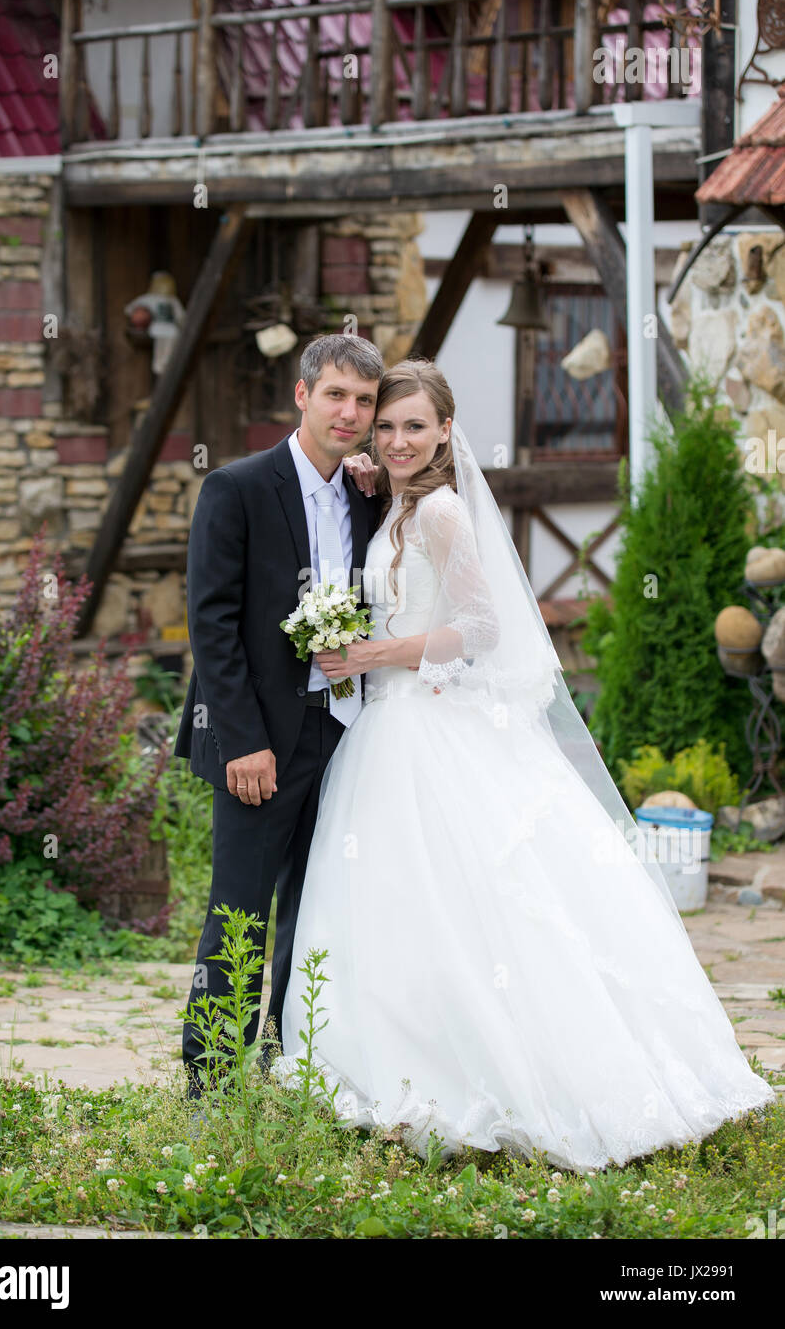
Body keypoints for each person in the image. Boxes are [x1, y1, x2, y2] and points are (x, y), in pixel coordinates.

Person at [270, 358, 777, 1172]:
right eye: (386, 426)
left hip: (430, 725)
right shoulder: (395, 502)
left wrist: (377, 651)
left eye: (414, 426)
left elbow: (482, 629)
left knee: (476, 902)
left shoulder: (441, 514)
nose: (398, 440)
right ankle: (388, 1061)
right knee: (398, 905)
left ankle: (513, 1075)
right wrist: (371, 478)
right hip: (389, 729)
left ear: (445, 430)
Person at [174, 334, 384, 1100]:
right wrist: (243, 741)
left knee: (316, 903)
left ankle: (289, 1062)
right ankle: (212, 1079)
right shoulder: (236, 488)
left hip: (346, 734)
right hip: (257, 741)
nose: (350, 412)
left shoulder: (370, 492)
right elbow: (212, 624)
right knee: (239, 907)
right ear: (302, 395)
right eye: (335, 395)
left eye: (363, 400)